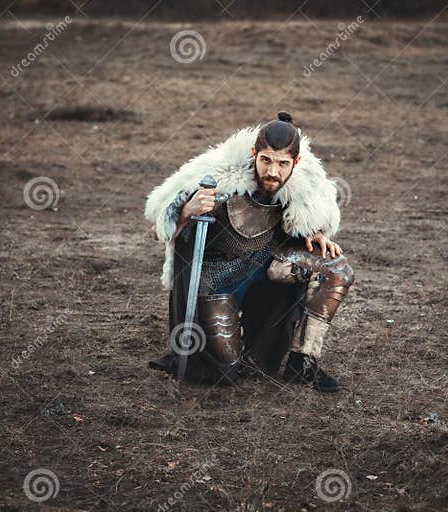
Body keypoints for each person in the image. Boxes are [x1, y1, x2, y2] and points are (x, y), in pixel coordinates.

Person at [146, 112, 354, 392]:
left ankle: (302, 364)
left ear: (296, 162)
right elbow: (159, 228)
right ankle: (231, 348)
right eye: (266, 160)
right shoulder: (219, 179)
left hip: (266, 264)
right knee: (224, 373)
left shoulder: (302, 186)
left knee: (336, 269)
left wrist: (312, 231)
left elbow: (303, 215)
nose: (272, 172)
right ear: (254, 153)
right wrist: (186, 210)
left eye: (283, 164)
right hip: (217, 278)